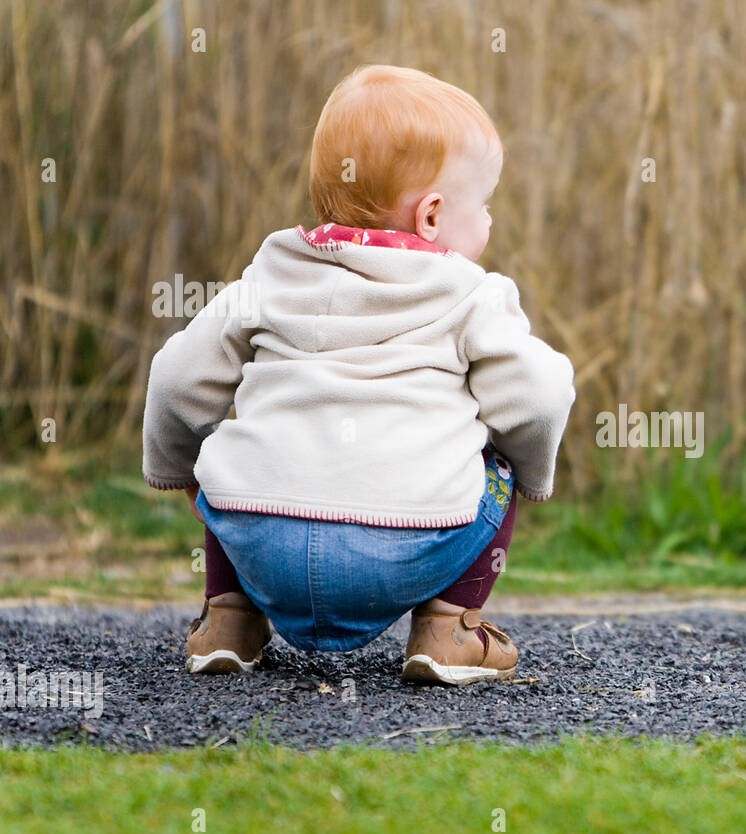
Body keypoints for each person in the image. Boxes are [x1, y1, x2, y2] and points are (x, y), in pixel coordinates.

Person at [141, 65, 575, 685]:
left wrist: (180, 471)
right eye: (483, 205)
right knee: (501, 465)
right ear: (431, 216)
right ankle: (449, 629)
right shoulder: (472, 294)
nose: (489, 220)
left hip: (261, 542)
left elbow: (176, 378)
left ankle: (228, 619)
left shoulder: (268, 276)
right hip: (404, 550)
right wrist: (530, 473)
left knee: (234, 449)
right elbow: (540, 395)